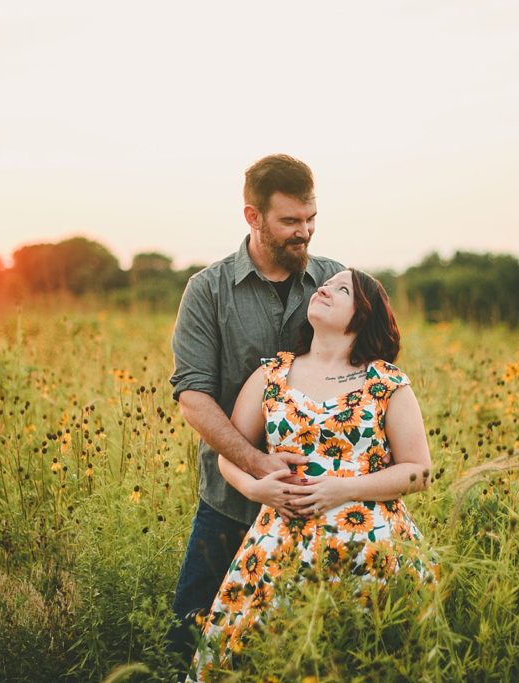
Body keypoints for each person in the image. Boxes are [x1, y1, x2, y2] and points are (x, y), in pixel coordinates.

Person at [188, 269, 434, 681]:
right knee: (259, 663)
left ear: (363, 315)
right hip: (277, 553)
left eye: (343, 289)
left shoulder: (386, 383)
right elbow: (229, 452)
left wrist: (344, 489)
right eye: (327, 284)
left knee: (368, 663)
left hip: (372, 556)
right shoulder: (271, 375)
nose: (325, 289)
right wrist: (256, 487)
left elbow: (419, 471)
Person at [167, 155, 344, 665]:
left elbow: (371, 375)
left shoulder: (336, 283)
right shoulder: (209, 290)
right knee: (189, 643)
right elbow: (194, 397)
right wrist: (259, 465)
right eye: (290, 221)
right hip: (230, 505)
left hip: (321, 505)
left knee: (313, 650)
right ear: (252, 217)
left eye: (311, 218)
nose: (304, 232)